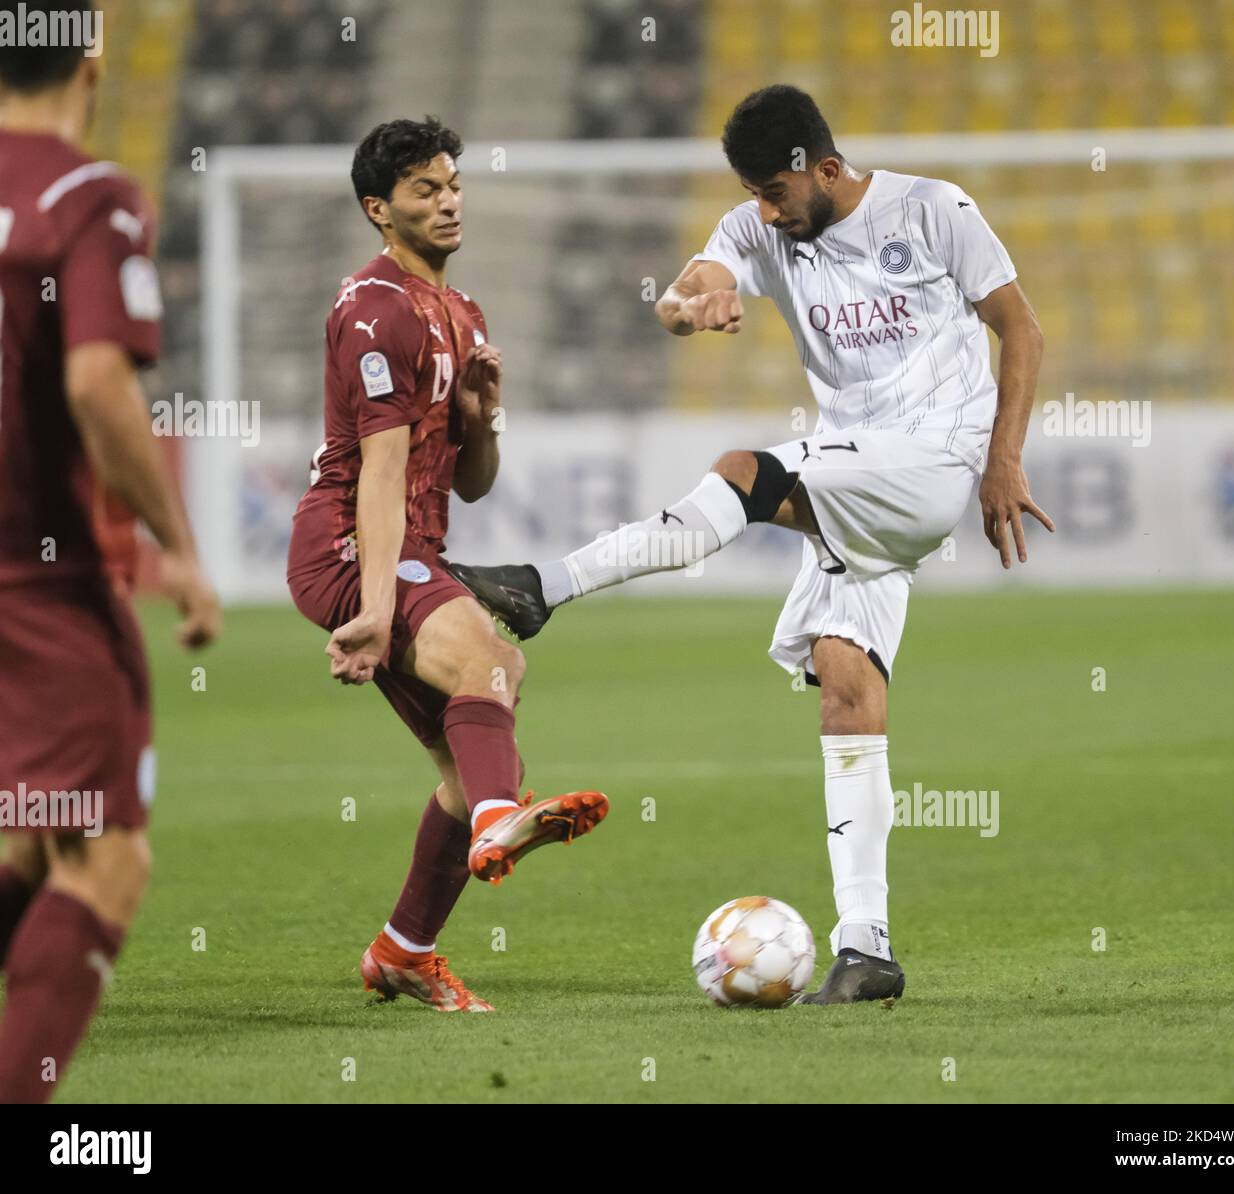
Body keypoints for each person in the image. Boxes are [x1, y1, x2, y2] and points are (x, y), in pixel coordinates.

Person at [449, 85, 1053, 1005]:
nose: (767, 212)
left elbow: (1022, 326)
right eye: (755, 196)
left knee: (745, 470)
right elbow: (687, 290)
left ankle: (545, 586)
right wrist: (697, 306)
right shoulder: (761, 225)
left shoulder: (934, 210)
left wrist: (1002, 460)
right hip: (862, 479)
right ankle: (868, 948)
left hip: (934, 463)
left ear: (824, 166)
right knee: (847, 689)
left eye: (777, 191)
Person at [286, 116, 607, 1014]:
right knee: (491, 662)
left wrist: (480, 415)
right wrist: (381, 609)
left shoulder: (461, 314)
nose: (450, 200)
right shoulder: (373, 307)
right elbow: (380, 477)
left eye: (453, 183)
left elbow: (471, 483)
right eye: (426, 190)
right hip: (349, 542)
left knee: (468, 773)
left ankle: (402, 949)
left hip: (413, 548)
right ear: (378, 210)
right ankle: (505, 819)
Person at [0, 3, 221, 1102]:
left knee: (28, 839)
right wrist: (174, 548)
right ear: (91, 59)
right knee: (104, 855)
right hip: (38, 588)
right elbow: (97, 382)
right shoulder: (86, 196)